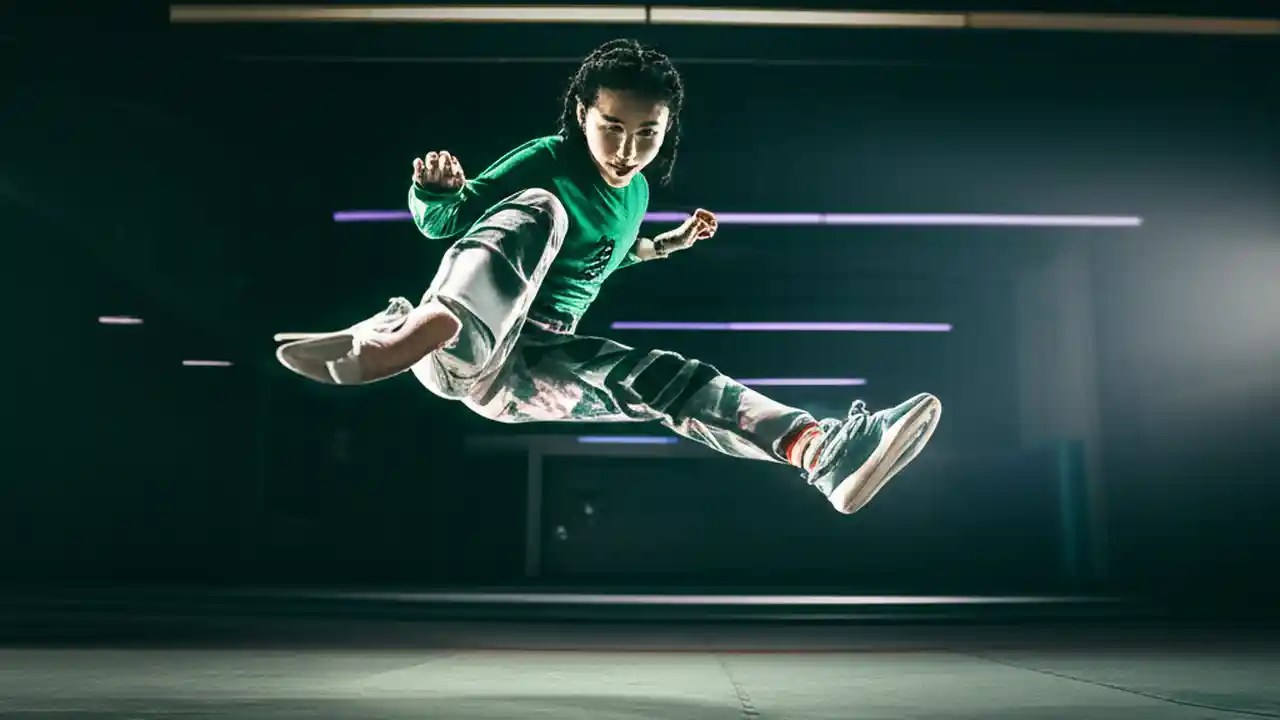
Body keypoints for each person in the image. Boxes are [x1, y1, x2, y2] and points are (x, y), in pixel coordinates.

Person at [276, 38, 941, 514]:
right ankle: (406, 332)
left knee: (668, 379)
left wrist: (664, 246)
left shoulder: (639, 195)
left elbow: (606, 258)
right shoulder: (548, 159)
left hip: (523, 378)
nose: (626, 151)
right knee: (540, 211)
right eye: (611, 128)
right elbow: (447, 222)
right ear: (581, 115)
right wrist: (429, 190)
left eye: (647, 134)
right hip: (462, 336)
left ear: (668, 127)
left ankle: (820, 452)